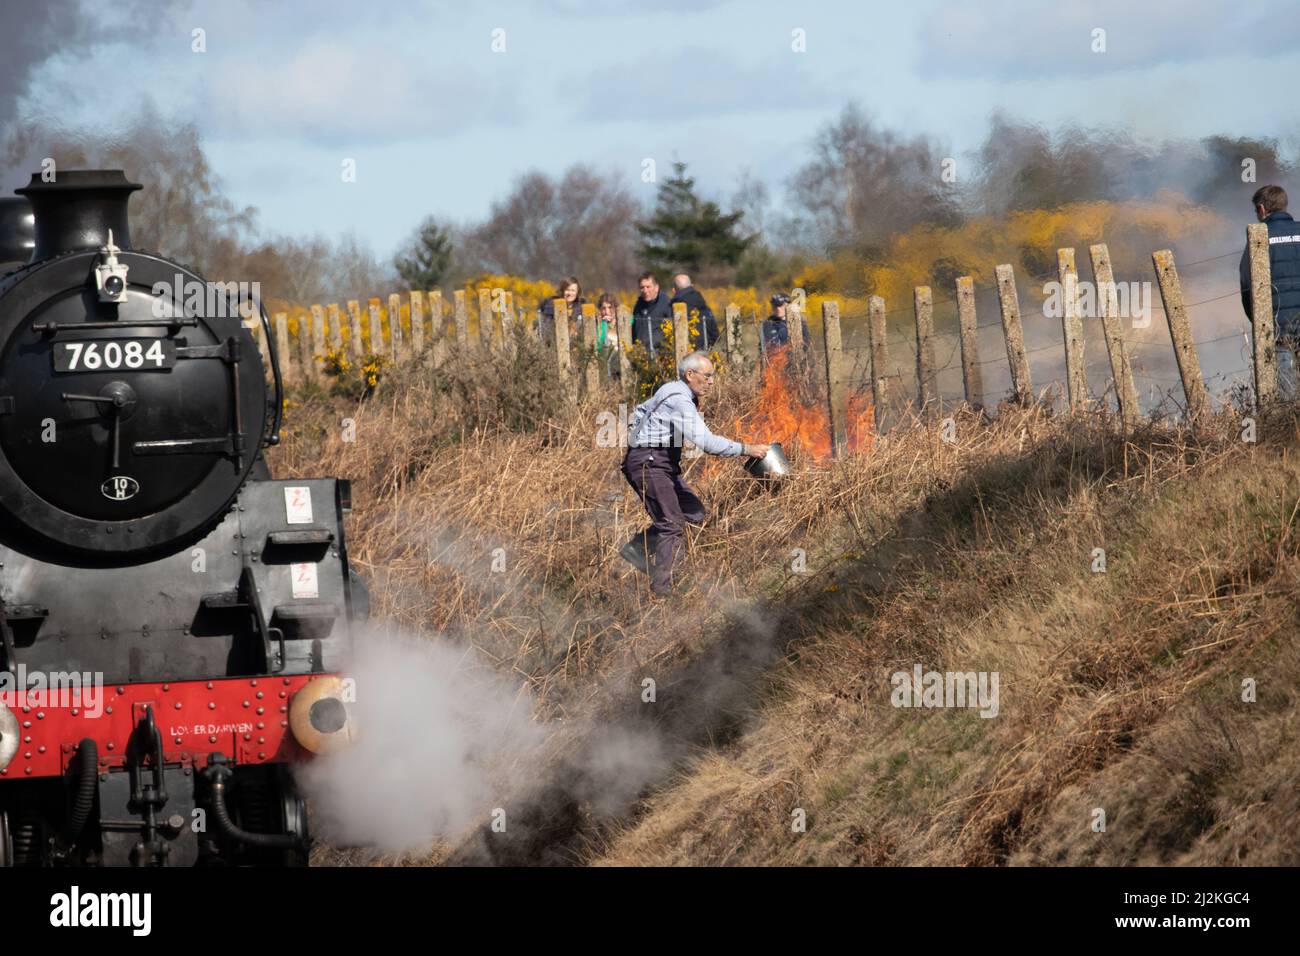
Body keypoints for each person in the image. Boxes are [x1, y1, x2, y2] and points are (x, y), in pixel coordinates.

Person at [620, 351, 769, 595]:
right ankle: (664, 591)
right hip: (650, 463)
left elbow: (637, 415)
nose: (711, 382)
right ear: (690, 375)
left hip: (660, 462)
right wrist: (747, 449)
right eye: (707, 376)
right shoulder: (679, 399)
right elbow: (707, 443)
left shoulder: (671, 390)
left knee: (694, 512)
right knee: (671, 525)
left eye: (713, 377)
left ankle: (638, 549)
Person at [1240, 185, 1300, 400]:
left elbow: (1247, 287)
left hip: (1276, 327)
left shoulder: (1259, 239)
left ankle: (1289, 430)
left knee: (1287, 394)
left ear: (1262, 209)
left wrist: (1260, 322)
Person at [670, 272, 721, 351]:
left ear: (674, 291)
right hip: (703, 353)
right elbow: (715, 334)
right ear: (692, 286)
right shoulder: (703, 305)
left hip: (682, 354)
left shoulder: (672, 308)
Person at [630, 271, 673, 356]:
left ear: (656, 287)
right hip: (640, 354)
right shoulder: (638, 305)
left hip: (660, 355)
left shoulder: (666, 304)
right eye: (642, 287)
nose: (645, 290)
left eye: (648, 287)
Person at [539, 276, 584, 348]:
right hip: (553, 347)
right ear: (562, 291)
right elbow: (546, 332)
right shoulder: (550, 307)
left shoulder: (582, 308)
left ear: (577, 292)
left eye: (573, 290)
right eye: (567, 290)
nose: (570, 293)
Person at [760, 293, 810, 358]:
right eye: (775, 306)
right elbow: (763, 347)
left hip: (795, 360)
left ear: (788, 305)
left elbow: (807, 344)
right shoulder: (767, 324)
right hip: (774, 363)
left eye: (781, 305)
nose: (778, 309)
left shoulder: (798, 322)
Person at [595, 292, 621, 378]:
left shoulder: (623, 322)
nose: (607, 312)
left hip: (621, 367)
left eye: (610, 307)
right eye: (603, 308)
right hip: (605, 367)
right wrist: (604, 324)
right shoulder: (598, 325)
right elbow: (598, 345)